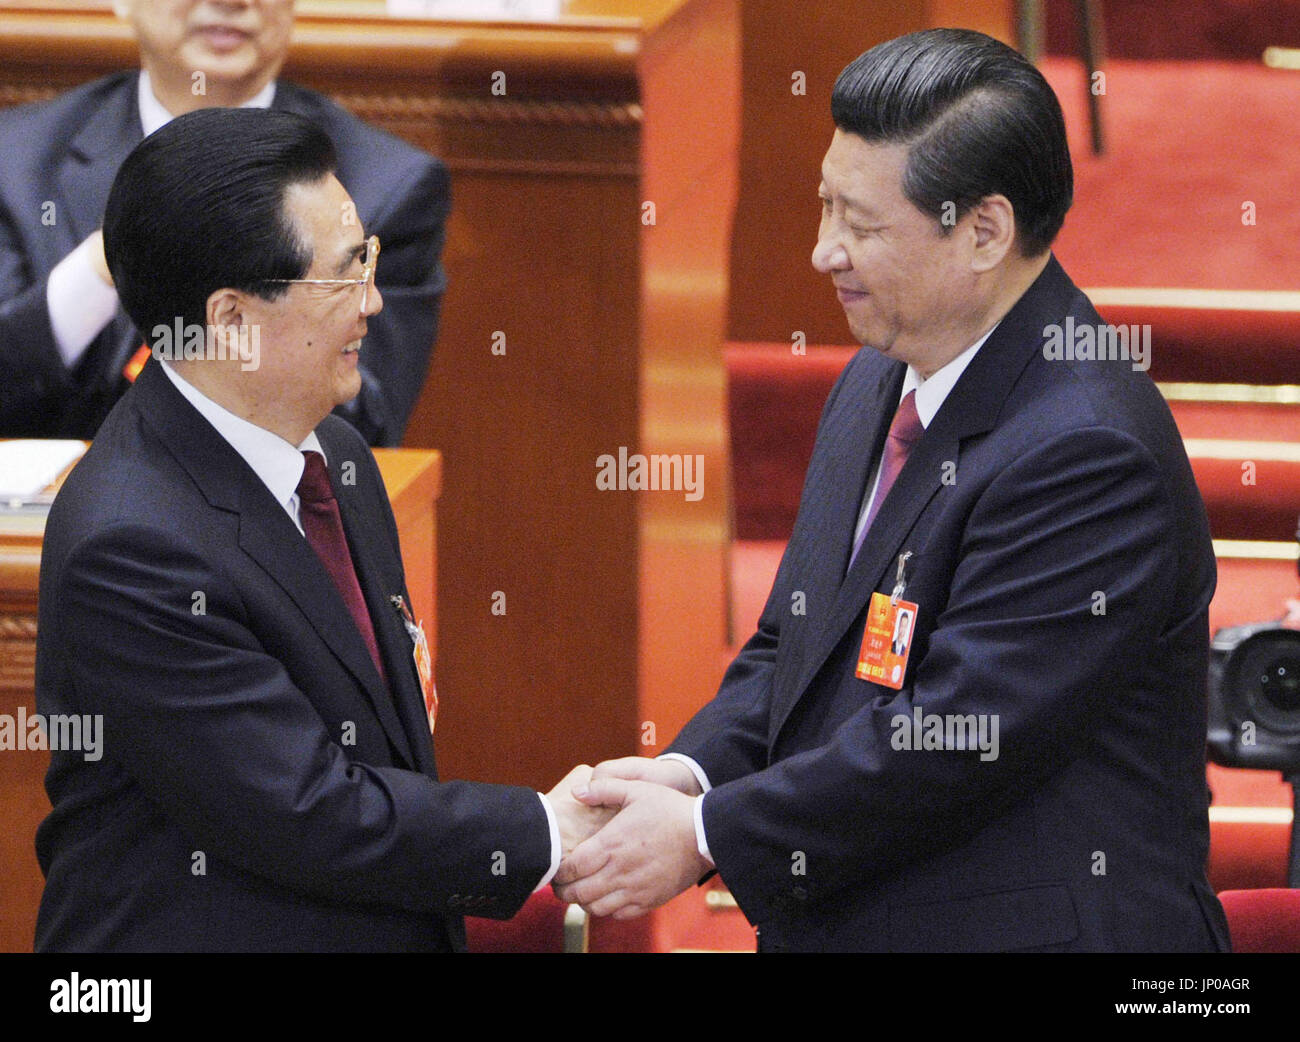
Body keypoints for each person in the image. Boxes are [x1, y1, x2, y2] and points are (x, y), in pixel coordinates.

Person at [556, 28, 1231, 952]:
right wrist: (690, 774)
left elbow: (954, 737)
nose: (822, 252)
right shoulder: (878, 378)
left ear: (984, 231)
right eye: (825, 206)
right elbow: (796, 643)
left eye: (862, 226)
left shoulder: (1087, 452)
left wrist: (707, 835)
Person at [33, 107, 607, 952]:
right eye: (342, 277)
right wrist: (546, 830)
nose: (373, 302)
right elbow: (304, 810)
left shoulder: (336, 456)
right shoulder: (131, 546)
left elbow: (387, 745)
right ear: (231, 319)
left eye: (367, 258)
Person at [0, 0, 445, 445]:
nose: (230, 2)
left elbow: (368, 426)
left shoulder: (387, 184)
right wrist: (103, 263)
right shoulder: (15, 160)